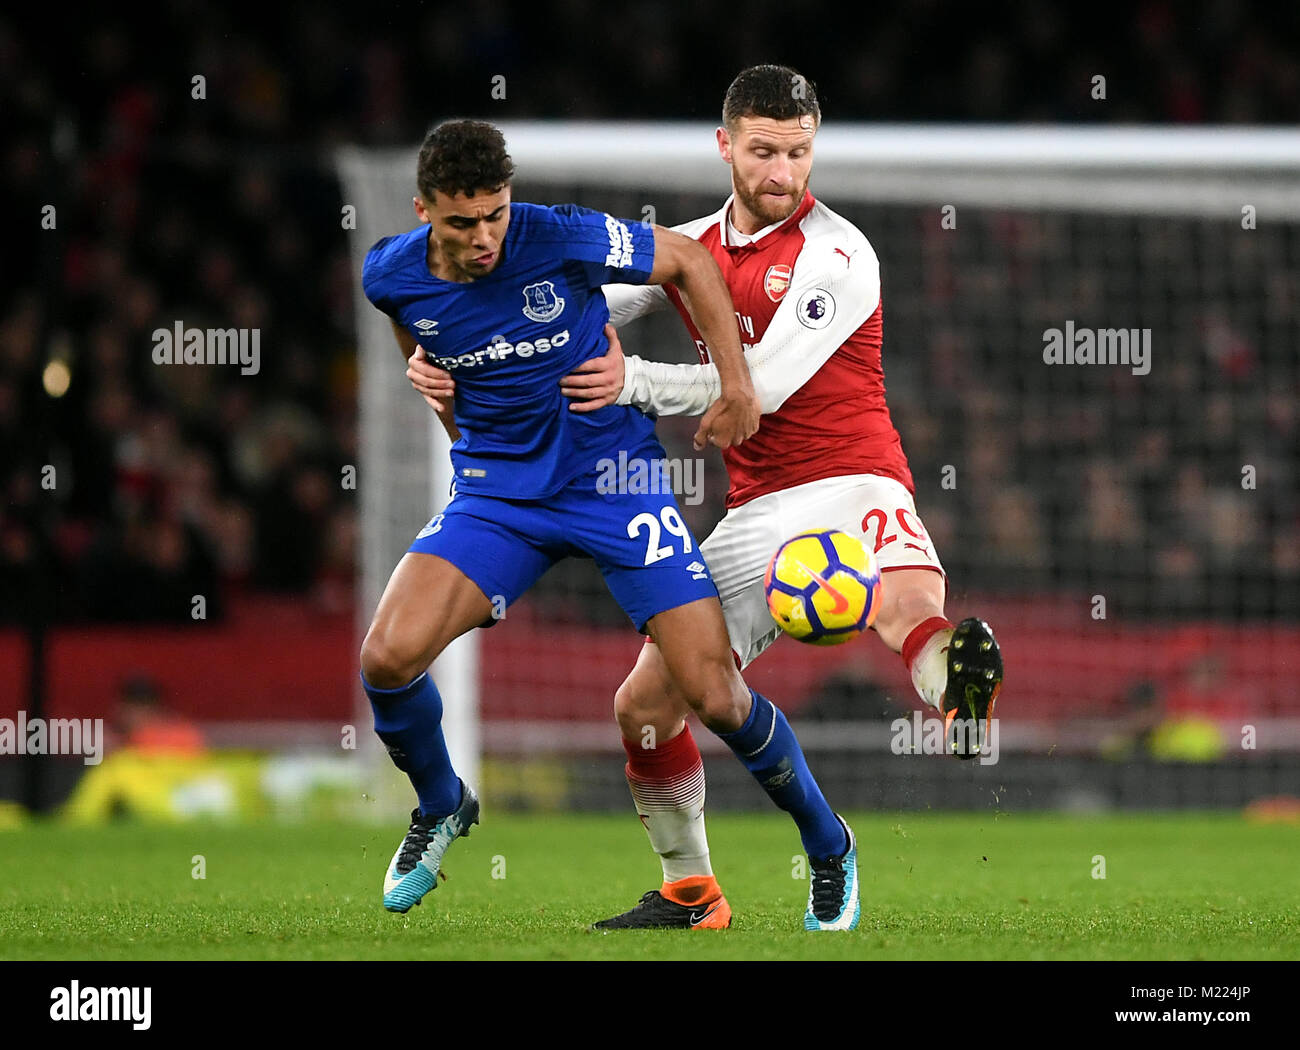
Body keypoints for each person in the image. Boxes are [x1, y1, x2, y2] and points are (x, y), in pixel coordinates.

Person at [410, 68, 1004, 931]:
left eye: (799, 153)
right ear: (725, 146)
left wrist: (630, 382)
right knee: (644, 709)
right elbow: (582, 314)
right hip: (755, 509)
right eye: (764, 151)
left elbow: (752, 388)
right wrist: (461, 347)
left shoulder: (841, 254)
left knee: (907, 603)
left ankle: (957, 692)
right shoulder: (690, 246)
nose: (782, 172)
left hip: (851, 477)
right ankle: (693, 891)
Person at [363, 118, 860, 931]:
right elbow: (413, 326)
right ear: (425, 213)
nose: (485, 236)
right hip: (499, 496)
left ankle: (828, 843)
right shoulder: (390, 274)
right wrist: (435, 378)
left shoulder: (556, 235)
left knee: (711, 692)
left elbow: (688, 260)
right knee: (386, 657)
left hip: (615, 486)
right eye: (463, 222)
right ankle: (442, 802)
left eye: (495, 213)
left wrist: (733, 386)